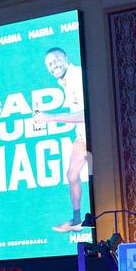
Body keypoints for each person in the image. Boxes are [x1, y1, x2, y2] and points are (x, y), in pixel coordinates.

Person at [34, 47, 89, 233]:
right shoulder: (64, 82)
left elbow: (87, 114)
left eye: (56, 60)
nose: (54, 65)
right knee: (72, 175)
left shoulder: (77, 77)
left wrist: (52, 117)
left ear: (66, 58)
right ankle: (76, 220)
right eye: (49, 64)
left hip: (94, 134)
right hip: (82, 135)